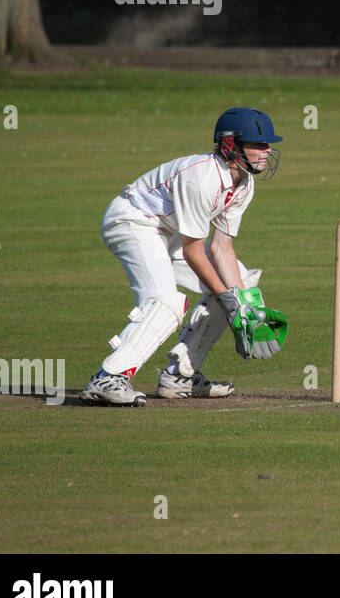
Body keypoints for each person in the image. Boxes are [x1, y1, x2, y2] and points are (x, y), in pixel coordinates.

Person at [79, 107, 285, 406]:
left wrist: (244, 305)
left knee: (241, 281)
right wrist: (229, 299)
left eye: (267, 144)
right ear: (231, 145)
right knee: (167, 302)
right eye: (258, 144)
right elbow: (192, 252)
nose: (266, 151)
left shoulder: (244, 184)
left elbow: (221, 248)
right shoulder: (202, 179)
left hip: (169, 231)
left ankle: (180, 375)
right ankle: (108, 377)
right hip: (133, 221)